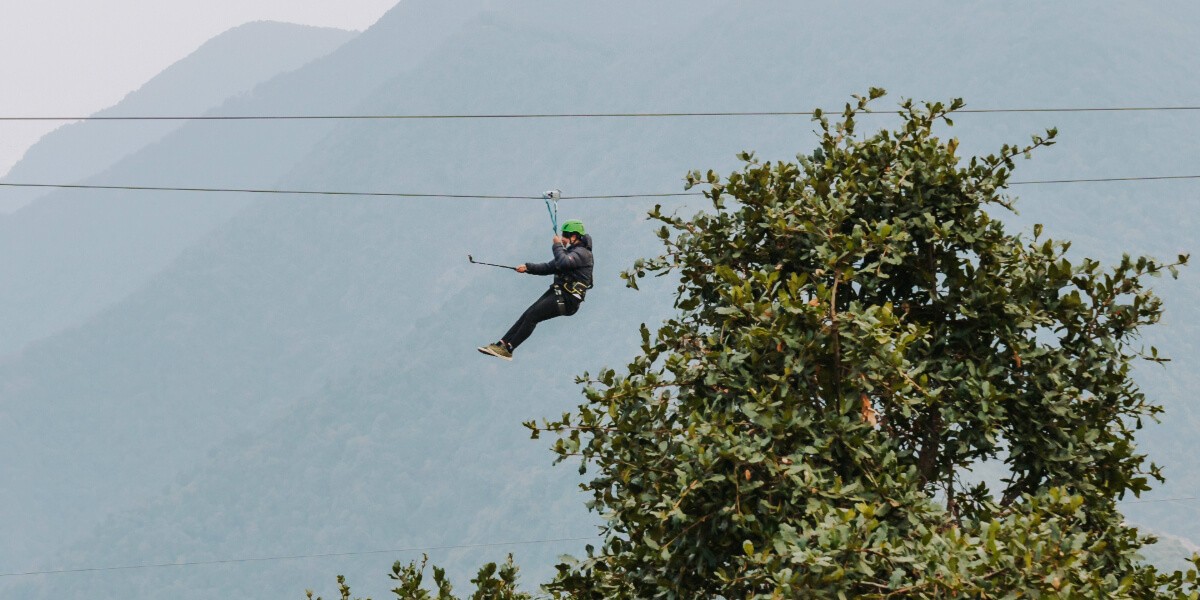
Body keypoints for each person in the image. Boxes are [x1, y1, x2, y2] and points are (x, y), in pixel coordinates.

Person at [477, 220, 593, 361]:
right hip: (560, 292)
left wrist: (557, 245)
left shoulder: (582, 253)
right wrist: (528, 267)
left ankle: (509, 349)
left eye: (566, 235)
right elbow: (549, 267)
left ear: (575, 236)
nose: (563, 237)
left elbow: (563, 262)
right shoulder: (570, 253)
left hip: (568, 299)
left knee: (533, 316)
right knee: (527, 314)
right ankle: (501, 344)